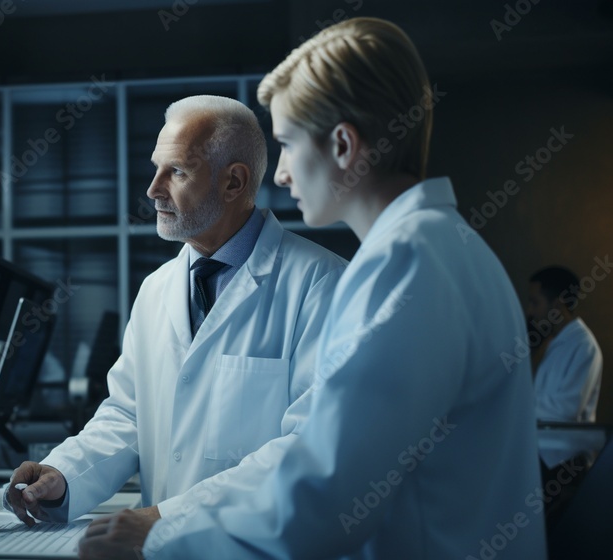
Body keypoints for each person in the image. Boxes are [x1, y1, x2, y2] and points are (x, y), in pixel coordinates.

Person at [77, 18, 546, 559]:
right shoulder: (445, 246)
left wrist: (160, 538)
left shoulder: (404, 263)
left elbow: (326, 500)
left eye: (288, 144)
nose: (278, 175)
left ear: (343, 145)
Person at [3, 95, 347, 528]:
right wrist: (64, 475)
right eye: (155, 167)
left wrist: (164, 518)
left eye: (177, 171)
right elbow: (128, 414)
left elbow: (307, 448)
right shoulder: (156, 289)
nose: (152, 189)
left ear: (234, 183)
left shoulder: (323, 285)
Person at [526, 266, 603, 524]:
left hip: (561, 465)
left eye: (535, 303)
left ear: (558, 304)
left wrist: (517, 404)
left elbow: (565, 410)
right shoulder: (556, 343)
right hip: (544, 456)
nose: (530, 312)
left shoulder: (584, 345)